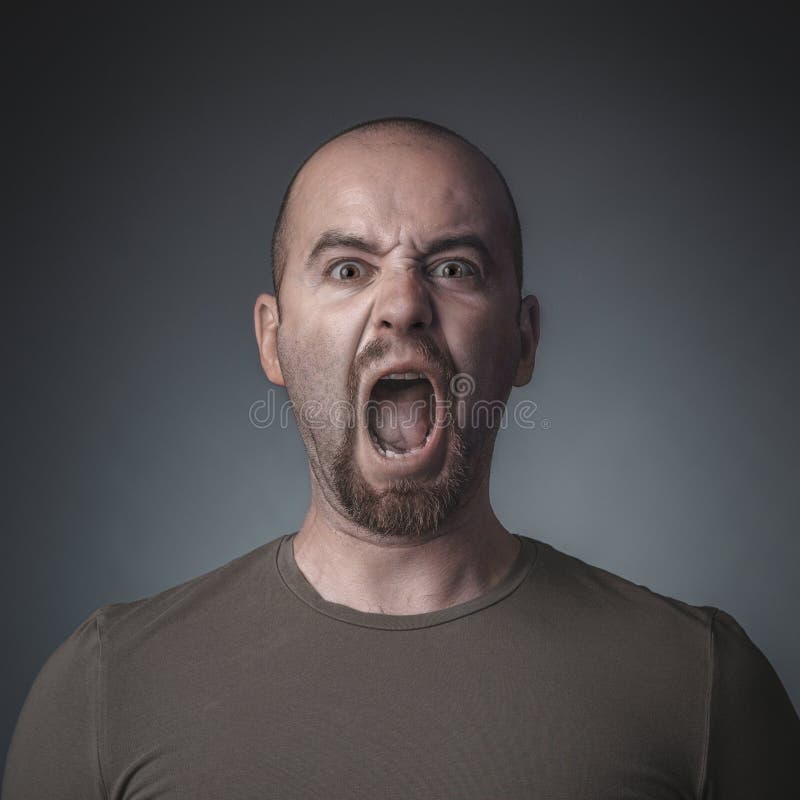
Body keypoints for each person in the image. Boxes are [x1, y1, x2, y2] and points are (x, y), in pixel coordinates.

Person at [3, 116, 798, 799]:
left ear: (522, 341)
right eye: (348, 269)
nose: (404, 304)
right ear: (272, 340)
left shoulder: (701, 684)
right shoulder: (106, 688)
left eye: (453, 268)